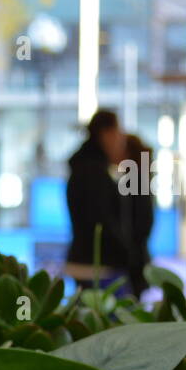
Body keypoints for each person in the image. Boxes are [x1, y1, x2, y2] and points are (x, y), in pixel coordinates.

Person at [65, 109, 131, 291]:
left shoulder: (82, 168)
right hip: (98, 265)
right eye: (118, 132)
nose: (120, 139)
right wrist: (126, 253)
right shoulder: (94, 172)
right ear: (106, 134)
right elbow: (101, 220)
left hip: (86, 260)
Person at [120, 133, 156, 295]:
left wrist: (129, 250)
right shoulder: (139, 180)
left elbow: (143, 223)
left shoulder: (135, 182)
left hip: (133, 260)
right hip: (137, 257)